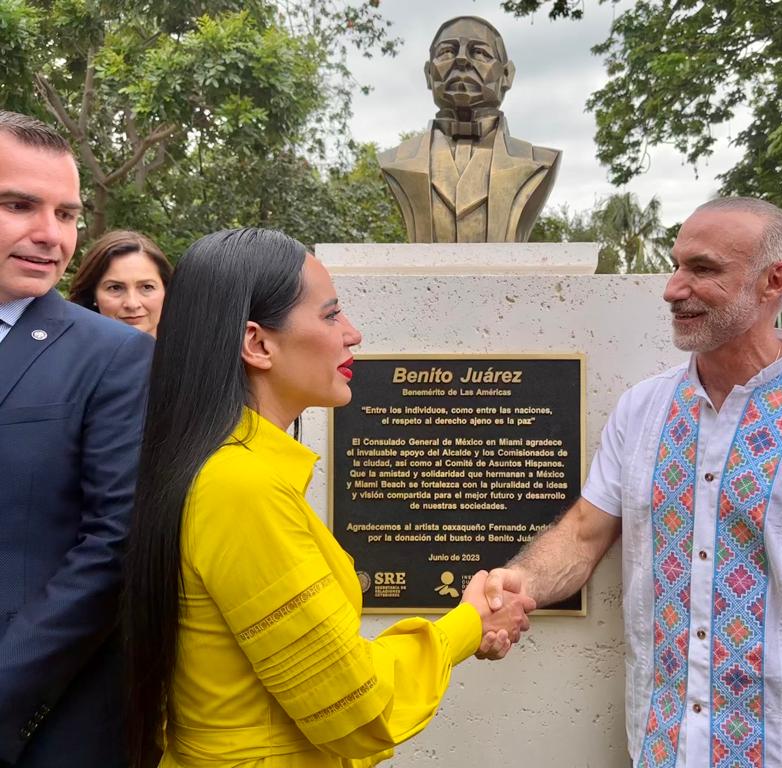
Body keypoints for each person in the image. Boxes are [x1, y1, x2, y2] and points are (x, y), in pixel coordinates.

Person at [484, 197, 782, 768]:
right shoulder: (643, 409)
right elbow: (583, 533)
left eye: (702, 270)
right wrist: (517, 580)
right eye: (677, 266)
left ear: (773, 282)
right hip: (660, 749)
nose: (674, 288)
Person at [122, 228, 534, 768]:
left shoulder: (234, 469)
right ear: (258, 344)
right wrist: (466, 624)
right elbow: (358, 709)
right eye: (331, 315)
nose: (353, 334)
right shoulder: (241, 488)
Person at [0, 111, 153, 767]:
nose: (49, 235)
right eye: (18, 205)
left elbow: (114, 544)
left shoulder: (114, 357)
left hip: (42, 723)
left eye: (65, 214)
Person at [378, 15, 561, 243]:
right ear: (428, 73)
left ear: (506, 75)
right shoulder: (397, 160)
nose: (462, 60)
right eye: (447, 52)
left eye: (480, 52)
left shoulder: (539, 162)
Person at [68, 229, 172, 337]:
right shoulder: (66, 352)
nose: (132, 304)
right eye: (115, 288)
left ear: (167, 291)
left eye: (147, 287)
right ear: (93, 295)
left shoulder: (189, 351)